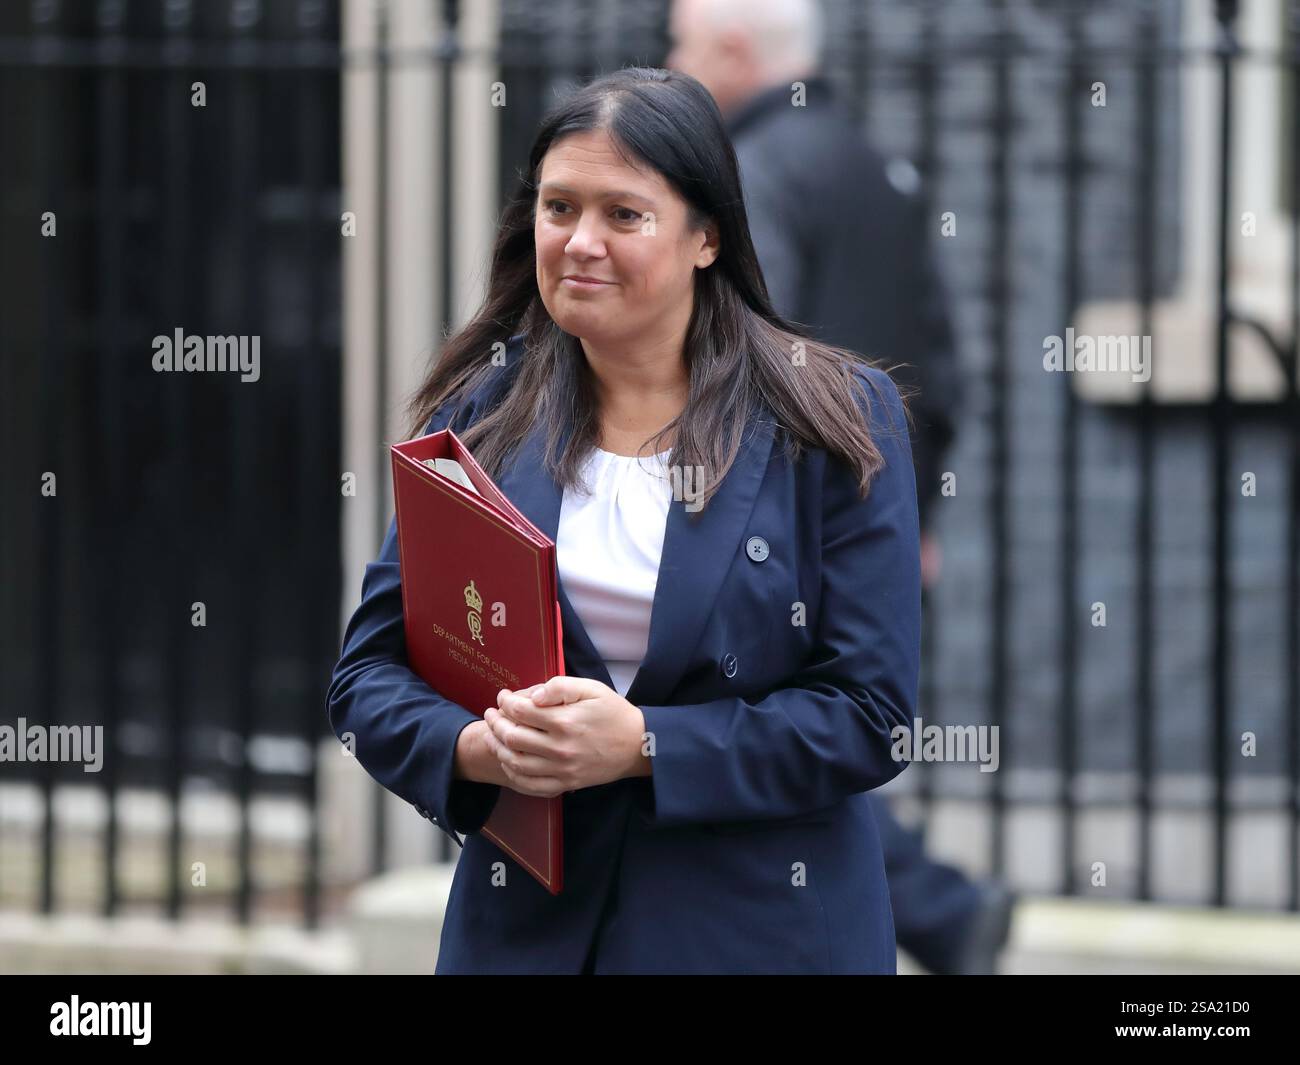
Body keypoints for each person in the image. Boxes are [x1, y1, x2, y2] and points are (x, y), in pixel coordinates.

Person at [326, 66, 921, 974]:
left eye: (624, 214)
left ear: (706, 237)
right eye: (559, 207)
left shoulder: (831, 417)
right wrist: (476, 749)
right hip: (526, 936)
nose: (579, 242)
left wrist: (645, 746)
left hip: (760, 936)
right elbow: (367, 678)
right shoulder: (482, 412)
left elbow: (868, 714)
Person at [666, 0, 1015, 974]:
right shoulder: (877, 166)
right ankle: (945, 914)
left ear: (732, 53)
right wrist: (913, 515)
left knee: (776, 731)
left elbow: (735, 361)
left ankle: (938, 913)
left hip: (768, 523)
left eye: (680, 44)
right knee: (823, 728)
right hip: (864, 519)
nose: (671, 60)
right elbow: (938, 368)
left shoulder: (752, 173)